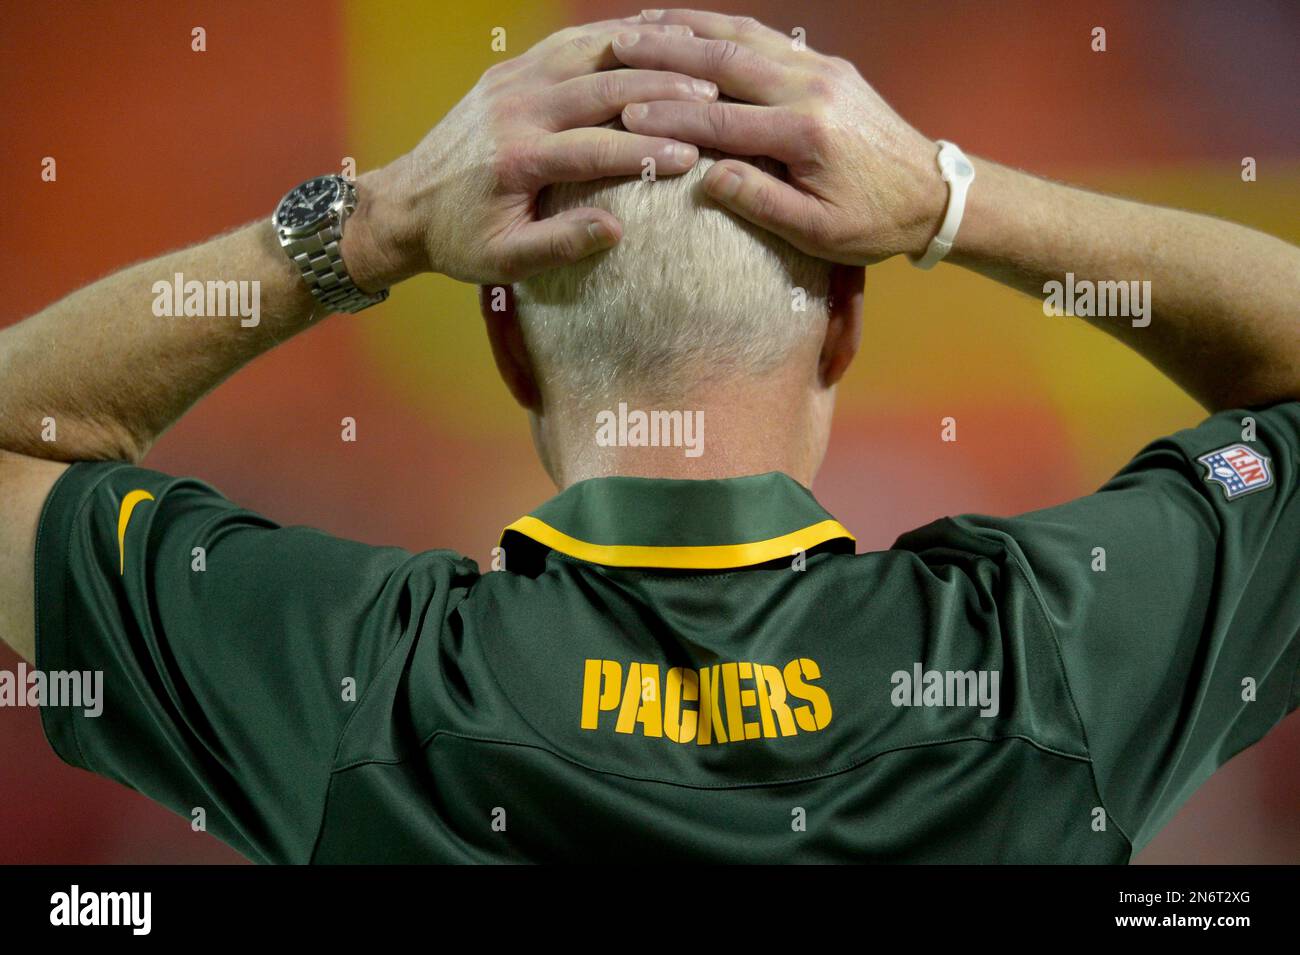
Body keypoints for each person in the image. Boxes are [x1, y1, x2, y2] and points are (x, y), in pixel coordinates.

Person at [0, 10, 1296, 863]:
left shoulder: (363, 685)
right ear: (845, 329)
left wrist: (375, 224)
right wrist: (953, 202)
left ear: (507, 348)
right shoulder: (1039, 656)